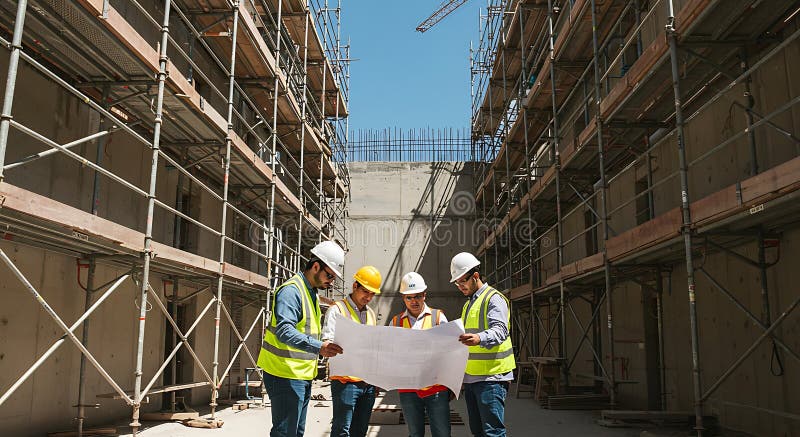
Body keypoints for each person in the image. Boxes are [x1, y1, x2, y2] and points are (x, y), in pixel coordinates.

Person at [257, 240, 345, 437]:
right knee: (285, 432)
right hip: (284, 373)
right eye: (329, 275)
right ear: (315, 266)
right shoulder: (292, 291)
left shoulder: (310, 293)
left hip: (300, 375)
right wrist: (319, 347)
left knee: (296, 432)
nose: (331, 281)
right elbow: (284, 331)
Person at [451, 252, 515, 437]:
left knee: (492, 432)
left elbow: (501, 331)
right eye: (457, 282)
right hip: (472, 378)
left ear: (476, 276)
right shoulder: (468, 304)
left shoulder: (493, 298)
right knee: (478, 431)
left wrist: (480, 338)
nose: (459, 286)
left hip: (491, 378)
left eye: (462, 281)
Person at [322, 265, 382, 437]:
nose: (369, 297)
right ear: (355, 286)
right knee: (342, 430)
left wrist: (375, 379)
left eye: (372, 294)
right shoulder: (337, 310)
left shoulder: (370, 313)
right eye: (366, 291)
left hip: (368, 384)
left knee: (360, 431)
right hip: (345, 382)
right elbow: (327, 342)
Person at [390, 272, 451, 437]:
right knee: (415, 434)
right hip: (408, 389)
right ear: (403, 298)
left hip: (435, 387)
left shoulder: (438, 317)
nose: (413, 301)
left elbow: (449, 351)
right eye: (409, 298)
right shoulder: (395, 322)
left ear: (424, 295)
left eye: (417, 296)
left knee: (442, 434)